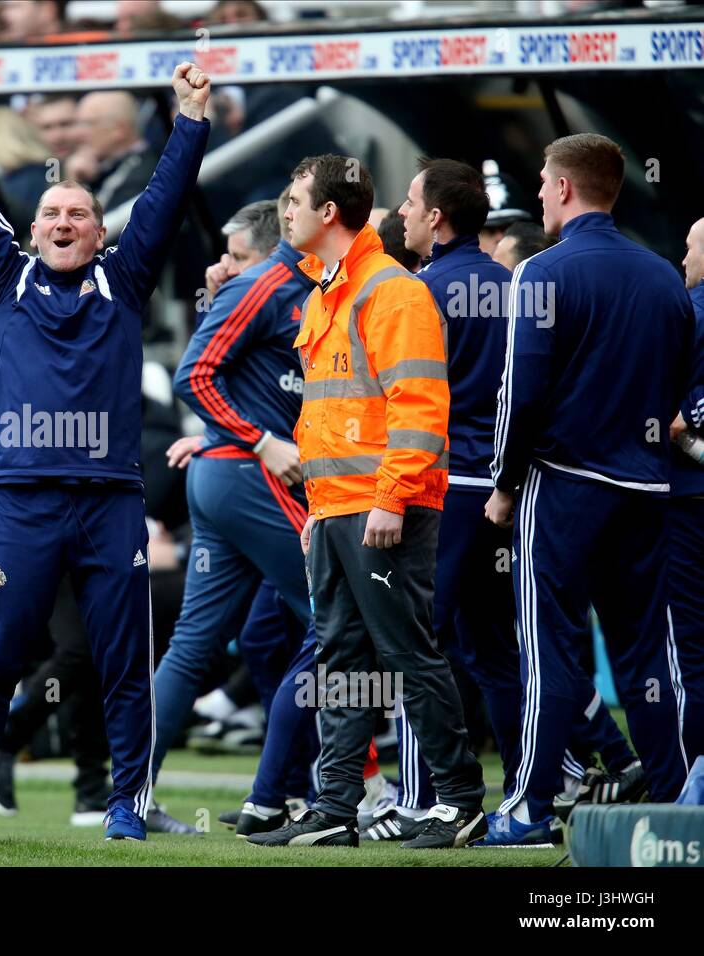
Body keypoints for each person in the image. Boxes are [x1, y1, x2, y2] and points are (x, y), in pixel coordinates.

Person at [0, 61, 211, 845]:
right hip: (23, 504)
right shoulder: (5, 277)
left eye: (79, 211)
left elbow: (164, 199)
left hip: (111, 505)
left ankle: (126, 806)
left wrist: (188, 120)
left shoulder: (126, 278)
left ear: (100, 231)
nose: (65, 221)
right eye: (52, 213)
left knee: (122, 665)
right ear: (33, 230)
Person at [371, 158, 634, 842]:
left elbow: (400, 400)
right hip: (501, 489)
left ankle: (425, 798)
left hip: (440, 484)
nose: (401, 213)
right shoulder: (511, 280)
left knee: (420, 642)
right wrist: (507, 480)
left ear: (436, 215)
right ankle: (532, 790)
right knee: (493, 650)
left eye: (408, 202)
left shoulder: (418, 290)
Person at [253, 154, 487, 850]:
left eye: (295, 199)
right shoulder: (330, 291)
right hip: (338, 508)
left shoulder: (392, 292)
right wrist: (320, 507)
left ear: (329, 212)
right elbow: (327, 416)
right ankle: (334, 808)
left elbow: (420, 407)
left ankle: (460, 800)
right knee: (342, 661)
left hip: (385, 508)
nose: (285, 211)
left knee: (407, 653)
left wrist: (390, 497)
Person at [483, 133, 694, 844]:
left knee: (550, 648)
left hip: (565, 485)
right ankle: (673, 799)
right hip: (646, 488)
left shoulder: (540, 273)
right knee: (650, 657)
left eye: (543, 182)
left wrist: (505, 482)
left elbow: (522, 392)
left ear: (566, 188)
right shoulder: (666, 276)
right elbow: (674, 386)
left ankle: (529, 808)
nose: (539, 194)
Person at [160, 196, 318, 839]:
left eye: (234, 254)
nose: (222, 267)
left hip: (227, 472)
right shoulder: (269, 284)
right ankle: (335, 788)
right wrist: (258, 440)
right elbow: (192, 375)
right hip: (253, 477)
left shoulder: (312, 284)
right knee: (339, 620)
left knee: (198, 644)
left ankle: (128, 799)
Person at [672, 216, 704, 766]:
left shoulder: (689, 314)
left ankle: (692, 784)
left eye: (690, 247)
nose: (683, 259)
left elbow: (673, 422)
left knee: (689, 653)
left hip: (687, 498)